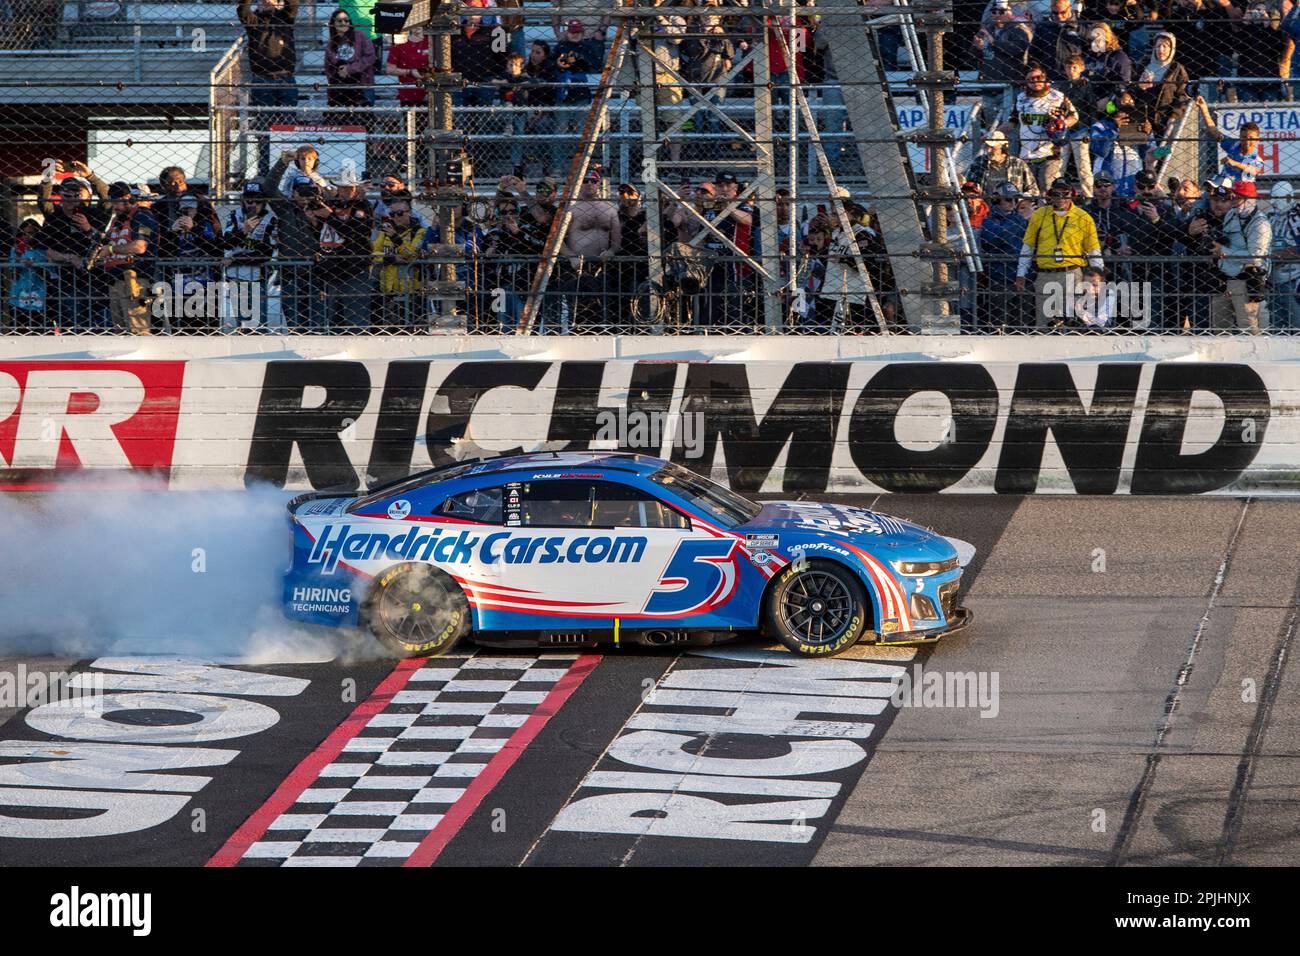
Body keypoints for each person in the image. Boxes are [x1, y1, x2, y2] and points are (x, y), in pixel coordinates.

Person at [1015, 177, 1104, 327]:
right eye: (1057, 194)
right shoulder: (1039, 215)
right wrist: (1020, 273)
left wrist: (1098, 278)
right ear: (1050, 195)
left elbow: (1093, 250)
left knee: (1072, 320)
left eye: (1065, 193)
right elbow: (1028, 246)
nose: (1061, 198)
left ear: (1072, 193)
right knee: (1044, 323)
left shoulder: (1083, 217)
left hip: (1072, 273)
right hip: (1045, 273)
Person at [36, 174, 108, 332]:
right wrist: (69, 257)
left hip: (96, 278)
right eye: (66, 194)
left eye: (76, 194)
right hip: (66, 280)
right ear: (61, 195)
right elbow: (48, 251)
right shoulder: (54, 217)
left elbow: (107, 202)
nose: (71, 199)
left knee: (100, 324)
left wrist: (88, 228)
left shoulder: (92, 214)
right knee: (73, 323)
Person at [238, 0, 300, 176]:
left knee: (288, 124)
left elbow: (293, 5)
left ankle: (290, 168)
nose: (267, 2)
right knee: (265, 127)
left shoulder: (285, 17)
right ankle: (265, 169)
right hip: (262, 79)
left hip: (286, 77)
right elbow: (242, 9)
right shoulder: (254, 20)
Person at [311, 166, 374, 330]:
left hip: (355, 268)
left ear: (356, 188)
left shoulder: (362, 206)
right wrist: (315, 218)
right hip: (329, 269)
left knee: (356, 319)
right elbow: (316, 232)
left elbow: (359, 233)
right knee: (328, 320)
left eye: (349, 187)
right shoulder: (329, 204)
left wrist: (330, 217)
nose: (346, 191)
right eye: (342, 187)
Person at [559, 169, 621, 330]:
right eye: (585, 181)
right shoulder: (570, 209)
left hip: (603, 268)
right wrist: (571, 257)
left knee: (605, 315)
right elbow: (557, 241)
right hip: (578, 268)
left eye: (594, 181)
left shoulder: (610, 209)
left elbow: (616, 241)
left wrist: (611, 252)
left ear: (599, 184)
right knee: (578, 317)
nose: (589, 184)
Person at [97, 181, 159, 335]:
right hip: (115, 281)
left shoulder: (143, 216)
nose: (115, 207)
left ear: (128, 198)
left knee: (138, 330)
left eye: (118, 202)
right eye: (113, 202)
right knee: (120, 333)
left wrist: (110, 250)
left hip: (134, 281)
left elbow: (140, 246)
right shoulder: (117, 220)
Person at [1212, 179, 1271, 333]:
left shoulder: (1259, 223)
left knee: (1249, 328)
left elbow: (1256, 257)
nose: (1233, 201)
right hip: (1223, 279)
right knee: (1219, 331)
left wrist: (1224, 251)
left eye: (1237, 197)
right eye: (1232, 196)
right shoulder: (1231, 214)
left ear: (1250, 199)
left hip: (1245, 281)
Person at [221, 181, 279, 332]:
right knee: (242, 324)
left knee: (258, 325)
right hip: (237, 277)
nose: (253, 204)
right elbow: (226, 243)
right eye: (249, 200)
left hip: (258, 278)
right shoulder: (235, 216)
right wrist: (244, 232)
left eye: (258, 201)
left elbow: (264, 254)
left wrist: (235, 259)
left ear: (264, 202)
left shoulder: (270, 219)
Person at [1013, 65, 1079, 192]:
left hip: (1050, 152)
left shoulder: (1058, 96)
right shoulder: (1021, 98)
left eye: (1039, 77)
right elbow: (1012, 121)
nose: (1036, 81)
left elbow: (1074, 116)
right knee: (1028, 191)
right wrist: (994, 133)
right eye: (1032, 79)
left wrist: (1061, 124)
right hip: (1026, 153)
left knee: (1047, 188)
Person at [372, 195, 431, 330]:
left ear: (409, 213)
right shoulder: (385, 231)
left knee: (411, 326)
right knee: (387, 327)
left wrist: (395, 238)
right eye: (392, 214)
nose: (396, 217)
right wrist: (391, 258)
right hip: (387, 285)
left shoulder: (420, 231)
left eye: (399, 213)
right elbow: (373, 254)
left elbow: (410, 255)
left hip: (411, 287)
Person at [978, 181, 1030, 331]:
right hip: (999, 277)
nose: (1013, 203)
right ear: (997, 200)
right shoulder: (989, 220)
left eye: (1015, 199)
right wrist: (1022, 220)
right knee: (998, 324)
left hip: (1022, 277)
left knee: (1021, 325)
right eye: (1008, 199)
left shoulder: (1020, 218)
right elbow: (996, 238)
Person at [1195, 97, 1268, 186]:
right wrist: (1204, 108)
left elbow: (1253, 170)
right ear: (1240, 137)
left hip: (1240, 191)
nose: (1247, 140)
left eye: (1251, 137)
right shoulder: (1233, 144)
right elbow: (1213, 131)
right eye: (1244, 137)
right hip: (1222, 183)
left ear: (1257, 140)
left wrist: (1234, 163)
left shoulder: (1256, 159)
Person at [324, 7, 377, 126]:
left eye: (346, 20)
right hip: (340, 89)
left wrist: (349, 69)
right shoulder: (331, 43)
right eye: (339, 20)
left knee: (365, 123)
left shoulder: (360, 35)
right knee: (342, 124)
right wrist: (337, 75)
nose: (343, 23)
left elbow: (370, 56)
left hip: (362, 85)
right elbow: (328, 68)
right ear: (333, 23)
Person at [1134, 31, 1190, 139]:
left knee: (1164, 152)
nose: (1161, 50)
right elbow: (1130, 91)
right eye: (1158, 46)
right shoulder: (1143, 65)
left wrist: (1174, 117)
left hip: (1165, 124)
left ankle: (1159, 154)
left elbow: (1183, 96)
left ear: (1172, 49)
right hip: (1142, 123)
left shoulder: (1177, 69)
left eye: (1165, 46)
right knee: (1141, 154)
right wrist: (1139, 86)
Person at [1266, 180, 1300, 332]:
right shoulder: (1270, 216)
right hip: (1273, 280)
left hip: (1293, 279)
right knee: (1276, 327)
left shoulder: (1297, 216)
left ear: (1288, 197)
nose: (1273, 202)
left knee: (1296, 325)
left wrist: (1280, 254)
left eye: (1277, 199)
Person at [966, 129, 1040, 196]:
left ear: (1003, 147)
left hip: (1013, 208)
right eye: (986, 146)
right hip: (985, 208)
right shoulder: (979, 162)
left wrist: (1018, 198)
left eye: (992, 147)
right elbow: (968, 186)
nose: (988, 150)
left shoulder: (1018, 164)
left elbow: (1034, 190)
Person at [1028, 0, 1086, 81]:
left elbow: (1088, 53)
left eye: (1063, 12)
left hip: (1074, 77)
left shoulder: (1081, 26)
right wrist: (1036, 69)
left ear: (1070, 8)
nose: (1059, 16)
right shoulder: (1043, 26)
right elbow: (1034, 51)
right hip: (1049, 77)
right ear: (1051, 9)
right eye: (1055, 13)